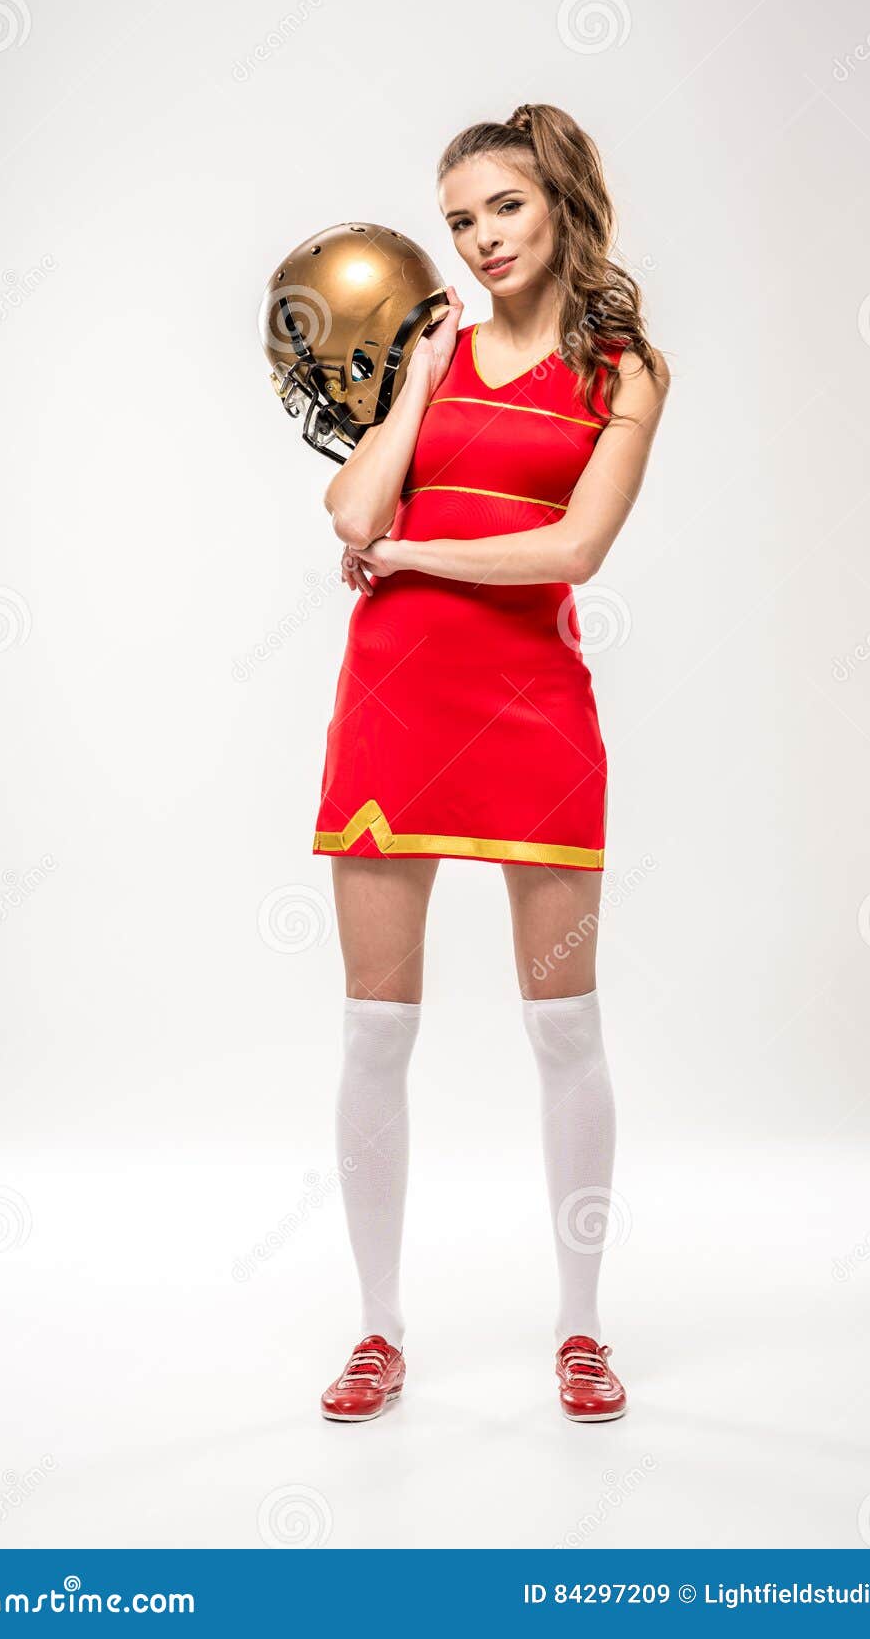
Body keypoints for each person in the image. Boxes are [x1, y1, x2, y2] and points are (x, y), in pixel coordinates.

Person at [313, 103, 670, 1424]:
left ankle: (580, 1328)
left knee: (565, 1020)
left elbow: (571, 551)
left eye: (501, 207)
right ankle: (377, 1328)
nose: (478, 238)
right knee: (374, 1024)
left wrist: (411, 554)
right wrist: (412, 393)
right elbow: (352, 508)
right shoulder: (434, 346)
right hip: (396, 699)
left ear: (561, 200)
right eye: (459, 218)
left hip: (531, 706)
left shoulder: (627, 370)